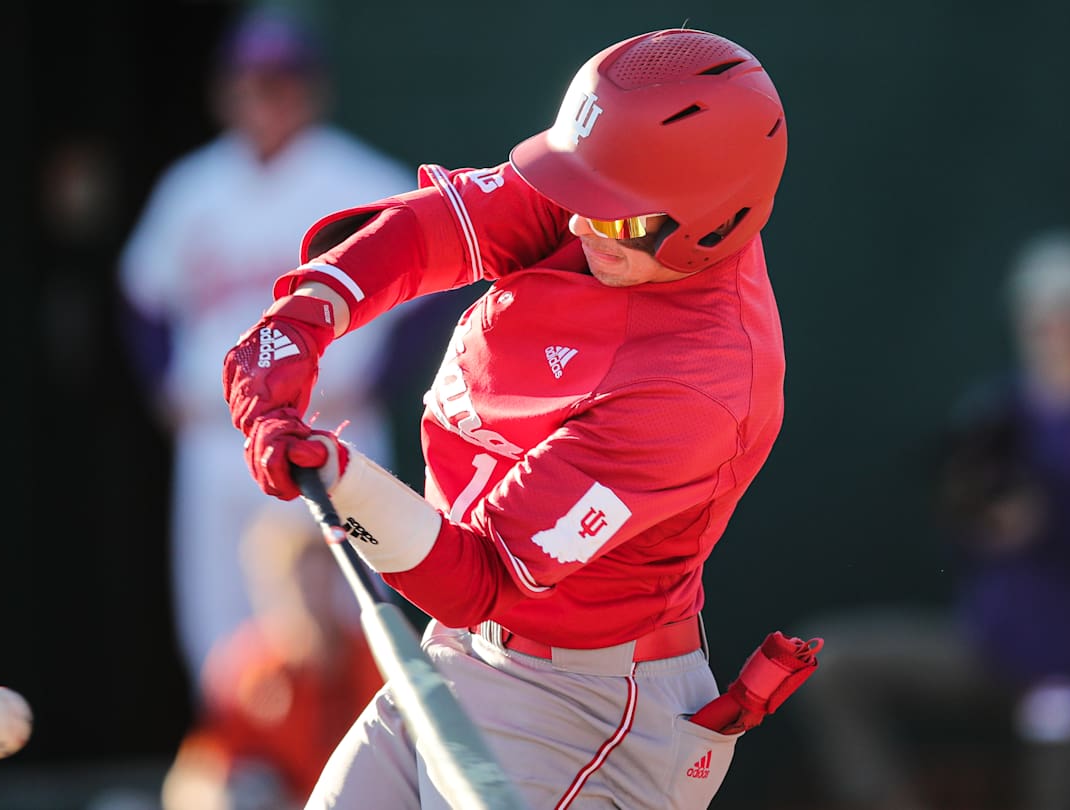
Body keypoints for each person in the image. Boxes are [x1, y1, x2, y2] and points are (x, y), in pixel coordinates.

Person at [220, 28, 822, 809]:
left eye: (612, 213)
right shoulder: (626, 205)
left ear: (709, 224)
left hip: (584, 708)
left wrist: (340, 480)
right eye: (580, 192)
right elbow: (425, 231)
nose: (574, 224)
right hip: (467, 654)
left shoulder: (699, 386)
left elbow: (482, 578)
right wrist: (302, 318)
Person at [116, 6, 414, 693]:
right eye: (253, 81)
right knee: (218, 629)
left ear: (312, 90)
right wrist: (162, 382)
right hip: (218, 435)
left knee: (345, 617)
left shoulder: (360, 180)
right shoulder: (192, 188)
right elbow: (141, 294)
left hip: (324, 430)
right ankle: (241, 777)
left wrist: (376, 381)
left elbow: (427, 299)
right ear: (226, 90)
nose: (267, 96)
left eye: (283, 81)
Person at [797, 229, 1070, 810]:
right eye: (1043, 322)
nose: (1057, 339)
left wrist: (1053, 520)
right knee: (832, 663)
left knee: (1060, 787)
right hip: (991, 647)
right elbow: (962, 529)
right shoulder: (1000, 410)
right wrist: (979, 514)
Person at [159, 502, 385, 810]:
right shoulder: (245, 671)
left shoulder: (377, 660)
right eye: (295, 584)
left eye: (318, 582)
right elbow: (191, 782)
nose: (308, 599)